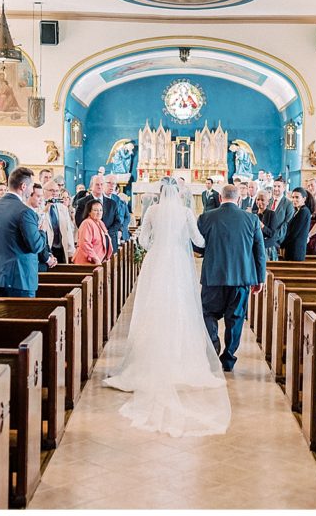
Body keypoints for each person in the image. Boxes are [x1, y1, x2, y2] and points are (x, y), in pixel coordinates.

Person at [103, 177, 230, 437]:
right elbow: (199, 241)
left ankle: (150, 355)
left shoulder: (151, 210)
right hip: (179, 263)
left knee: (153, 307)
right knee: (181, 309)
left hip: (156, 261)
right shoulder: (185, 212)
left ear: (160, 193)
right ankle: (179, 357)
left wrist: (157, 247)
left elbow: (142, 240)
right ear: (179, 194)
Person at [195, 184, 266, 373]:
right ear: (239, 199)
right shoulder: (251, 219)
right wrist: (260, 279)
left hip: (213, 277)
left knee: (208, 313)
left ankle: (213, 345)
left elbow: (199, 247)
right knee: (235, 318)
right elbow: (259, 252)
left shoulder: (205, 217)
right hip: (241, 278)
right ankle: (228, 358)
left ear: (220, 197)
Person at [0, 167, 46, 297]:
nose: (31, 190)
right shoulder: (25, 212)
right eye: (31, 186)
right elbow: (35, 246)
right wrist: (41, 231)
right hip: (20, 279)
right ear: (23, 186)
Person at [41, 180, 76, 263]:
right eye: (51, 190)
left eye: (56, 191)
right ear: (44, 191)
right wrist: (45, 209)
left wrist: (71, 251)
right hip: (47, 249)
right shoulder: (40, 207)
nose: (54, 193)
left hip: (61, 249)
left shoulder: (63, 208)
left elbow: (69, 232)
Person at [26, 183, 58, 272]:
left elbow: (44, 238)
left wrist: (49, 254)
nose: (41, 200)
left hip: (42, 261)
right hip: (35, 263)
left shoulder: (38, 213)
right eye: (38, 196)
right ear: (29, 196)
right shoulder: (27, 215)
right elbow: (35, 241)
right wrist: (47, 258)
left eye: (42, 196)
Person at [72, 199, 113, 266]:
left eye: (101, 210)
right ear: (89, 212)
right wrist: (96, 259)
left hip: (99, 261)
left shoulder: (100, 222)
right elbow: (85, 244)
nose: (99, 212)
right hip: (87, 263)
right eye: (95, 210)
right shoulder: (87, 223)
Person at [282, 188, 313, 261]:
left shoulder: (304, 211)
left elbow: (294, 232)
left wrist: (282, 244)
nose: (294, 200)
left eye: (297, 197)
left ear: (304, 198)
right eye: (293, 197)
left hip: (296, 250)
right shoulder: (298, 210)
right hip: (292, 248)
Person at [104, 175, 129, 247]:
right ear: (103, 184)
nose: (112, 186)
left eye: (114, 184)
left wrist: (120, 230)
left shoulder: (117, 199)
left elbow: (119, 218)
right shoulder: (99, 198)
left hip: (114, 234)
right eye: (109, 183)